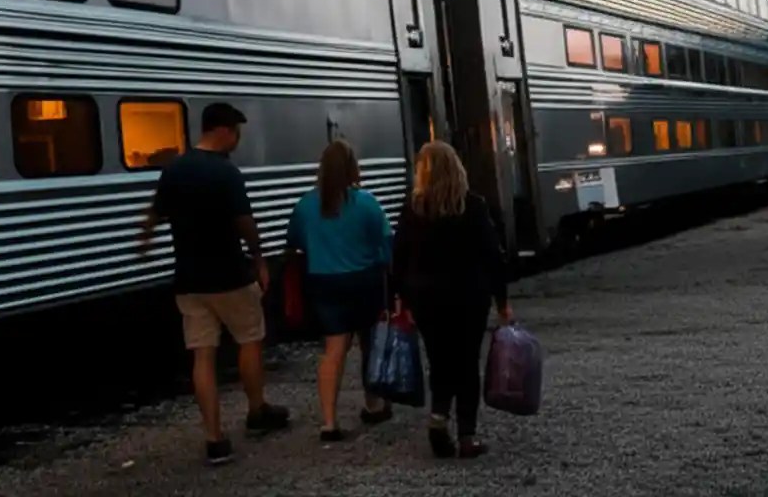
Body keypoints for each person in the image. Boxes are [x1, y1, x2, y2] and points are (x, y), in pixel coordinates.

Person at [140, 102, 290, 466]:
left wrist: (143, 241)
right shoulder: (226, 173)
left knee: (202, 355)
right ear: (222, 130)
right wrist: (259, 260)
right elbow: (245, 223)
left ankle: (214, 439)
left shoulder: (174, 169)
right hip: (229, 277)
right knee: (250, 340)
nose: (238, 140)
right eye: (236, 132)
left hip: (190, 281)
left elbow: (154, 214)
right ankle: (256, 412)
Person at [391, 141, 513, 459]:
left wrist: (400, 299)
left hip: (426, 300)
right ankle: (468, 436)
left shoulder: (413, 210)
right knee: (467, 364)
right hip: (468, 297)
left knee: (441, 361)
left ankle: (438, 419)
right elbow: (492, 257)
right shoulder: (473, 206)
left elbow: (399, 260)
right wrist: (502, 301)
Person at [284, 139, 394, 441]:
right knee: (369, 345)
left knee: (333, 350)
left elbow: (294, 241)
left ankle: (329, 423)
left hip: (324, 282)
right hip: (364, 281)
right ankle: (373, 405)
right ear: (353, 168)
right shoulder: (367, 203)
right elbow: (385, 247)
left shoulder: (306, 205)